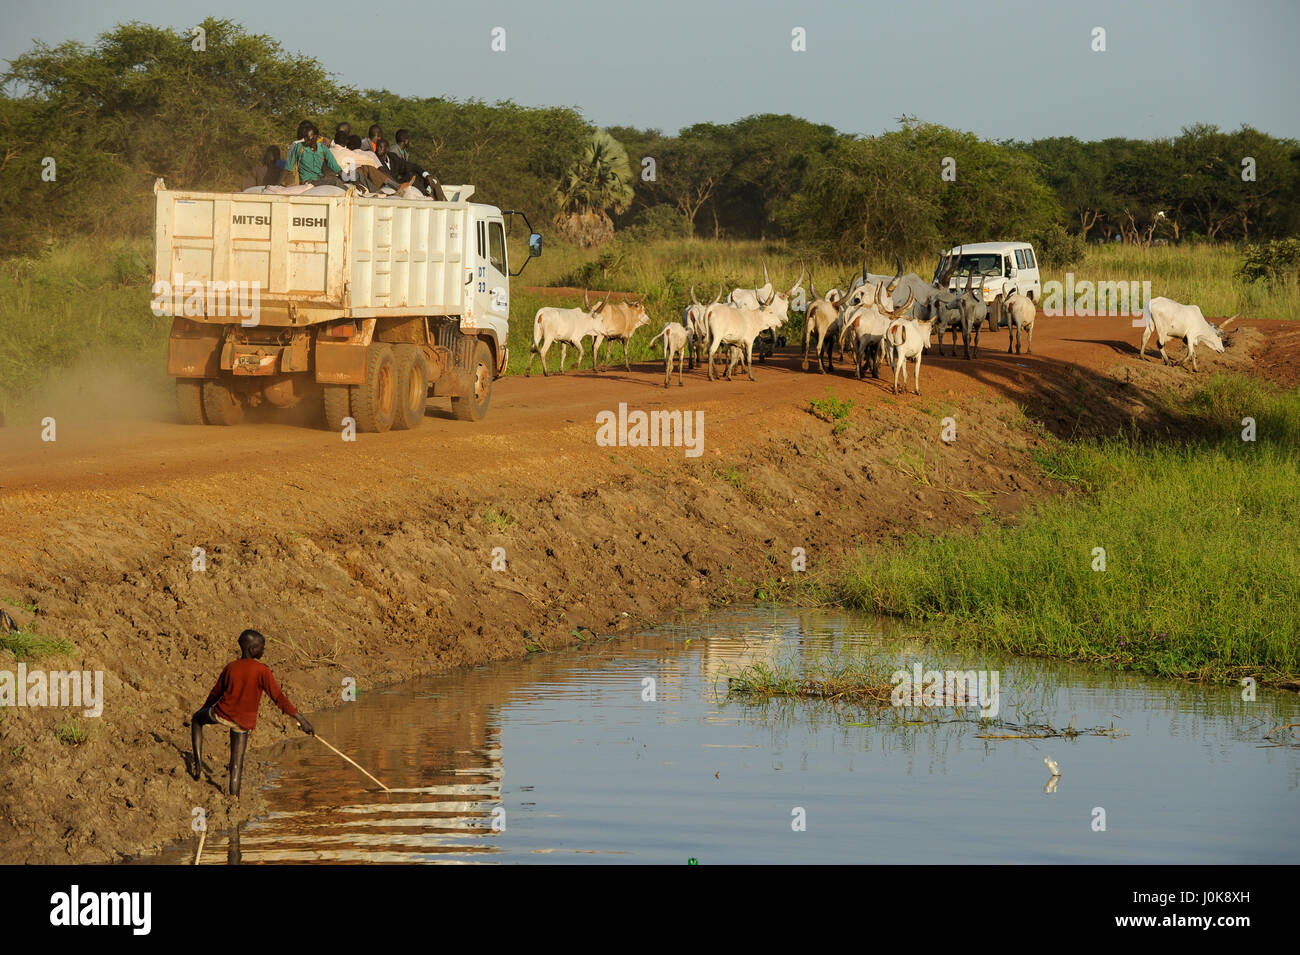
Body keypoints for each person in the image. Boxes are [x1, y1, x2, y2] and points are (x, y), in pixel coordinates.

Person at [190, 629, 313, 797]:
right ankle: (234, 799)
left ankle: (198, 767)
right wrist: (301, 719)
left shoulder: (231, 667)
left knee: (197, 720)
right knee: (236, 764)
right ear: (252, 649)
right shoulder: (262, 671)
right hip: (243, 722)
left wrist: (204, 709)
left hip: (222, 714)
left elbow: (215, 693)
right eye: (262, 647)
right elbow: (278, 697)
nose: (264, 650)